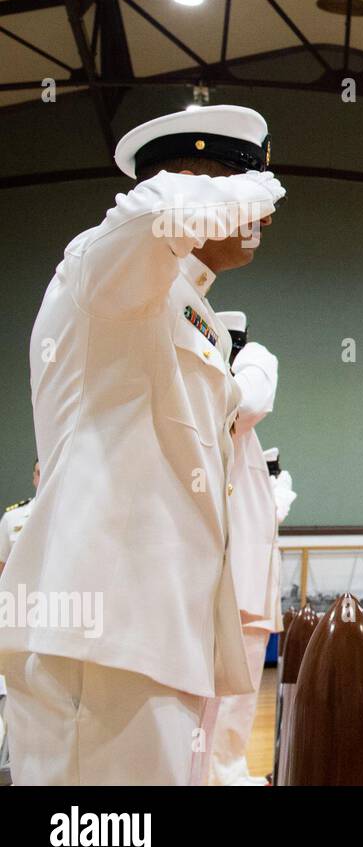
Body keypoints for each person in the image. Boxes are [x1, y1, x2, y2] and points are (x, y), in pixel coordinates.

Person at [0, 105, 282, 785]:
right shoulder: (101, 269)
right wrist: (255, 186)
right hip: (101, 635)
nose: (264, 217)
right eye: (242, 187)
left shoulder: (197, 316)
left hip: (161, 636)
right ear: (196, 184)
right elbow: (151, 215)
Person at [205, 310, 282, 786]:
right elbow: (248, 403)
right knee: (206, 688)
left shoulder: (246, 433)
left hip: (248, 579)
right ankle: (208, 770)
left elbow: (249, 406)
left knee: (242, 685)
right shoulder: (205, 407)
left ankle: (227, 768)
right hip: (212, 579)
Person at [0, 459, 38, 575]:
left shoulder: (72, 517)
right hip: (21, 590)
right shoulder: (13, 517)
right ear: (34, 478)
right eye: (39, 473)